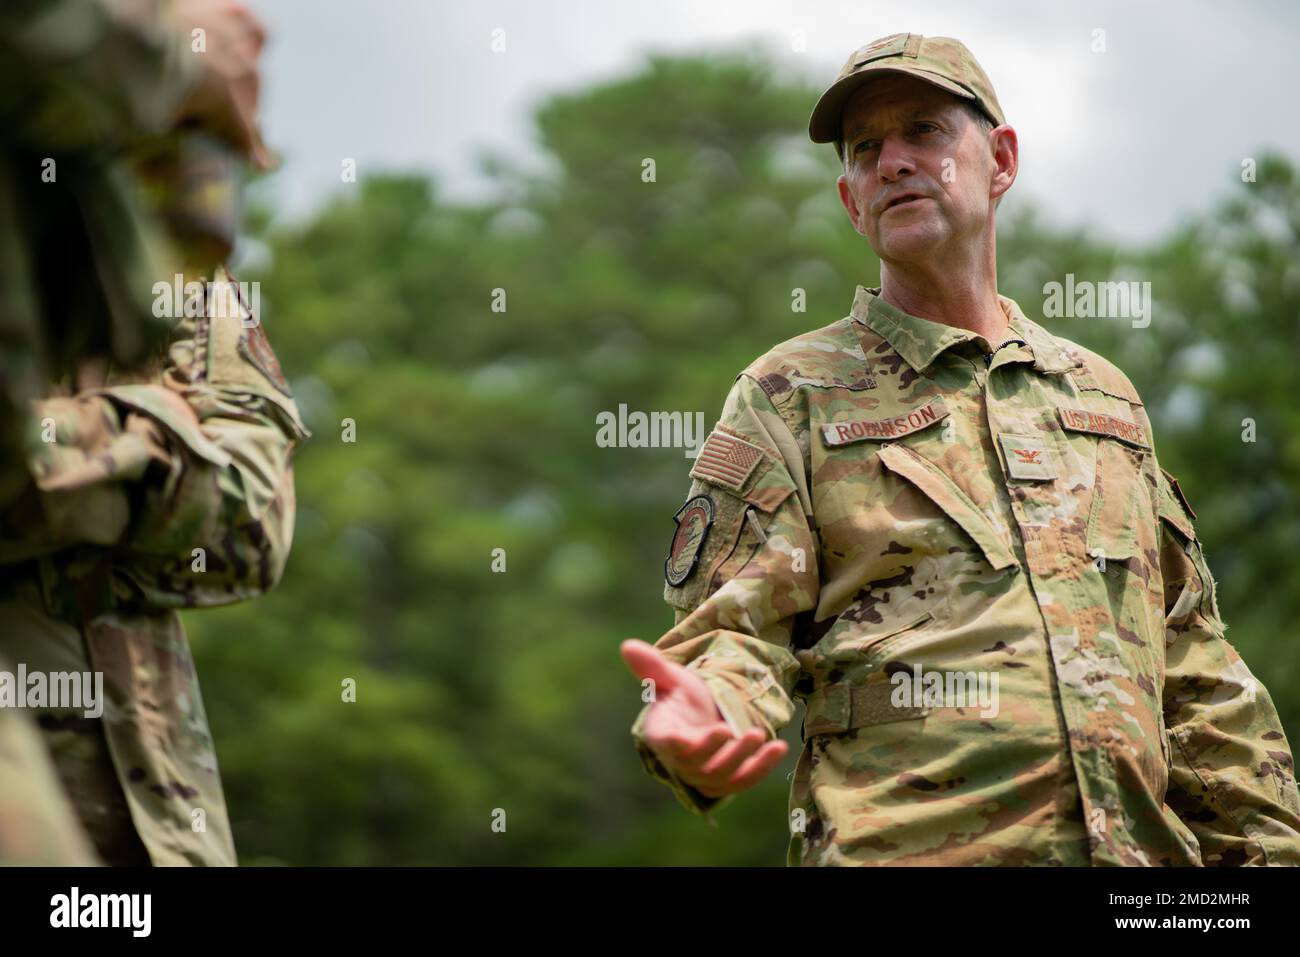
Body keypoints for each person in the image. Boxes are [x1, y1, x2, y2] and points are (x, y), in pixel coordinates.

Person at [621, 33, 1300, 866]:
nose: (894, 161)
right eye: (867, 149)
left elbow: (1192, 664)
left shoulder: (1103, 396)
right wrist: (702, 715)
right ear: (849, 199)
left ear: (1001, 160)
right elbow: (733, 636)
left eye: (926, 130)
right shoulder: (789, 394)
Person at [0, 0, 305, 866]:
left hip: (142, 828)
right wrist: (138, 451)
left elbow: (252, 522)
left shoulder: (182, 293)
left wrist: (44, 465)